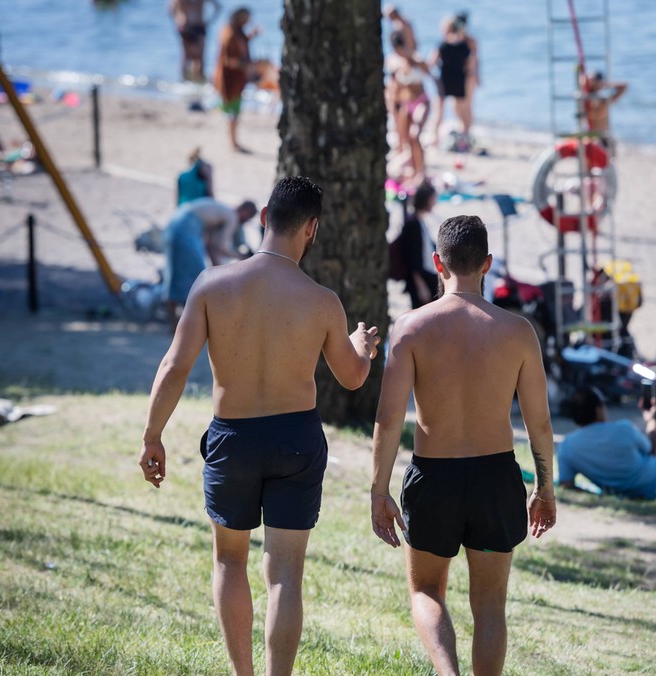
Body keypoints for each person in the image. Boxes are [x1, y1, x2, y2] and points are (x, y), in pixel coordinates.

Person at [139, 177, 381, 676]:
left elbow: (174, 367)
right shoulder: (321, 301)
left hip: (234, 436)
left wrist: (152, 435)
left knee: (230, 561)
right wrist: (363, 346)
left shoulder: (211, 285)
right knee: (285, 574)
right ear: (311, 229)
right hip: (296, 439)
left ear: (265, 215)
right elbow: (353, 378)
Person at [370, 214, 555, 676]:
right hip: (496, 480)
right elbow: (540, 424)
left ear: (437, 263)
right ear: (487, 264)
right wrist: (545, 488)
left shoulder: (411, 327)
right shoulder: (517, 332)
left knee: (426, 591)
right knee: (490, 606)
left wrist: (378, 489)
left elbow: (390, 418)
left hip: (435, 478)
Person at [162, 196, 257, 326]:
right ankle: (188, 324)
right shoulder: (232, 216)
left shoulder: (220, 211)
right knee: (196, 279)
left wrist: (217, 272)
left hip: (175, 221)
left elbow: (211, 247)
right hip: (187, 226)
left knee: (175, 275)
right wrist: (242, 258)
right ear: (246, 212)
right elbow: (220, 246)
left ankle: (174, 323)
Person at [386, 30, 436, 184]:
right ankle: (414, 171)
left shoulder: (417, 60)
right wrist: (392, 106)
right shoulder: (393, 62)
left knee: (415, 135)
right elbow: (393, 87)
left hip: (421, 101)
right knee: (405, 138)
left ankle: (421, 172)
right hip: (404, 105)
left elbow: (434, 78)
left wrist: (441, 97)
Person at [428, 13, 479, 151]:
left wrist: (434, 78)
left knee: (442, 110)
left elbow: (430, 64)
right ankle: (466, 136)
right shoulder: (465, 45)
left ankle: (435, 138)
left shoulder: (442, 46)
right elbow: (472, 64)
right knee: (463, 109)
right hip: (459, 80)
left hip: (445, 81)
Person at [214, 7, 258, 153]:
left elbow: (242, 43)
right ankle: (233, 142)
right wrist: (247, 65)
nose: (248, 21)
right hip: (229, 80)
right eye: (246, 18)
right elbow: (228, 60)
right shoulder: (230, 33)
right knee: (232, 112)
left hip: (237, 80)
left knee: (234, 112)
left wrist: (252, 36)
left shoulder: (235, 31)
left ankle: (233, 141)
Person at [398, 181, 439, 309]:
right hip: (421, 281)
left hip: (428, 277)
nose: (434, 202)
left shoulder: (419, 221)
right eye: (432, 199)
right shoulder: (413, 224)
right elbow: (412, 259)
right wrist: (421, 285)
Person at [168, 0, 222, 82]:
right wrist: (178, 20)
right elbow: (171, 9)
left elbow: (218, 7)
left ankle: (195, 81)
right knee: (188, 56)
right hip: (188, 27)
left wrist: (209, 21)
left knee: (195, 57)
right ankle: (186, 82)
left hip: (195, 26)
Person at [580, 71, 628, 138]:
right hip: (591, 136)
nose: (590, 82)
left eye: (592, 80)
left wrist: (604, 84)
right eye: (589, 81)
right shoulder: (584, 99)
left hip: (602, 137)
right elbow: (581, 82)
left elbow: (624, 86)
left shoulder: (603, 100)